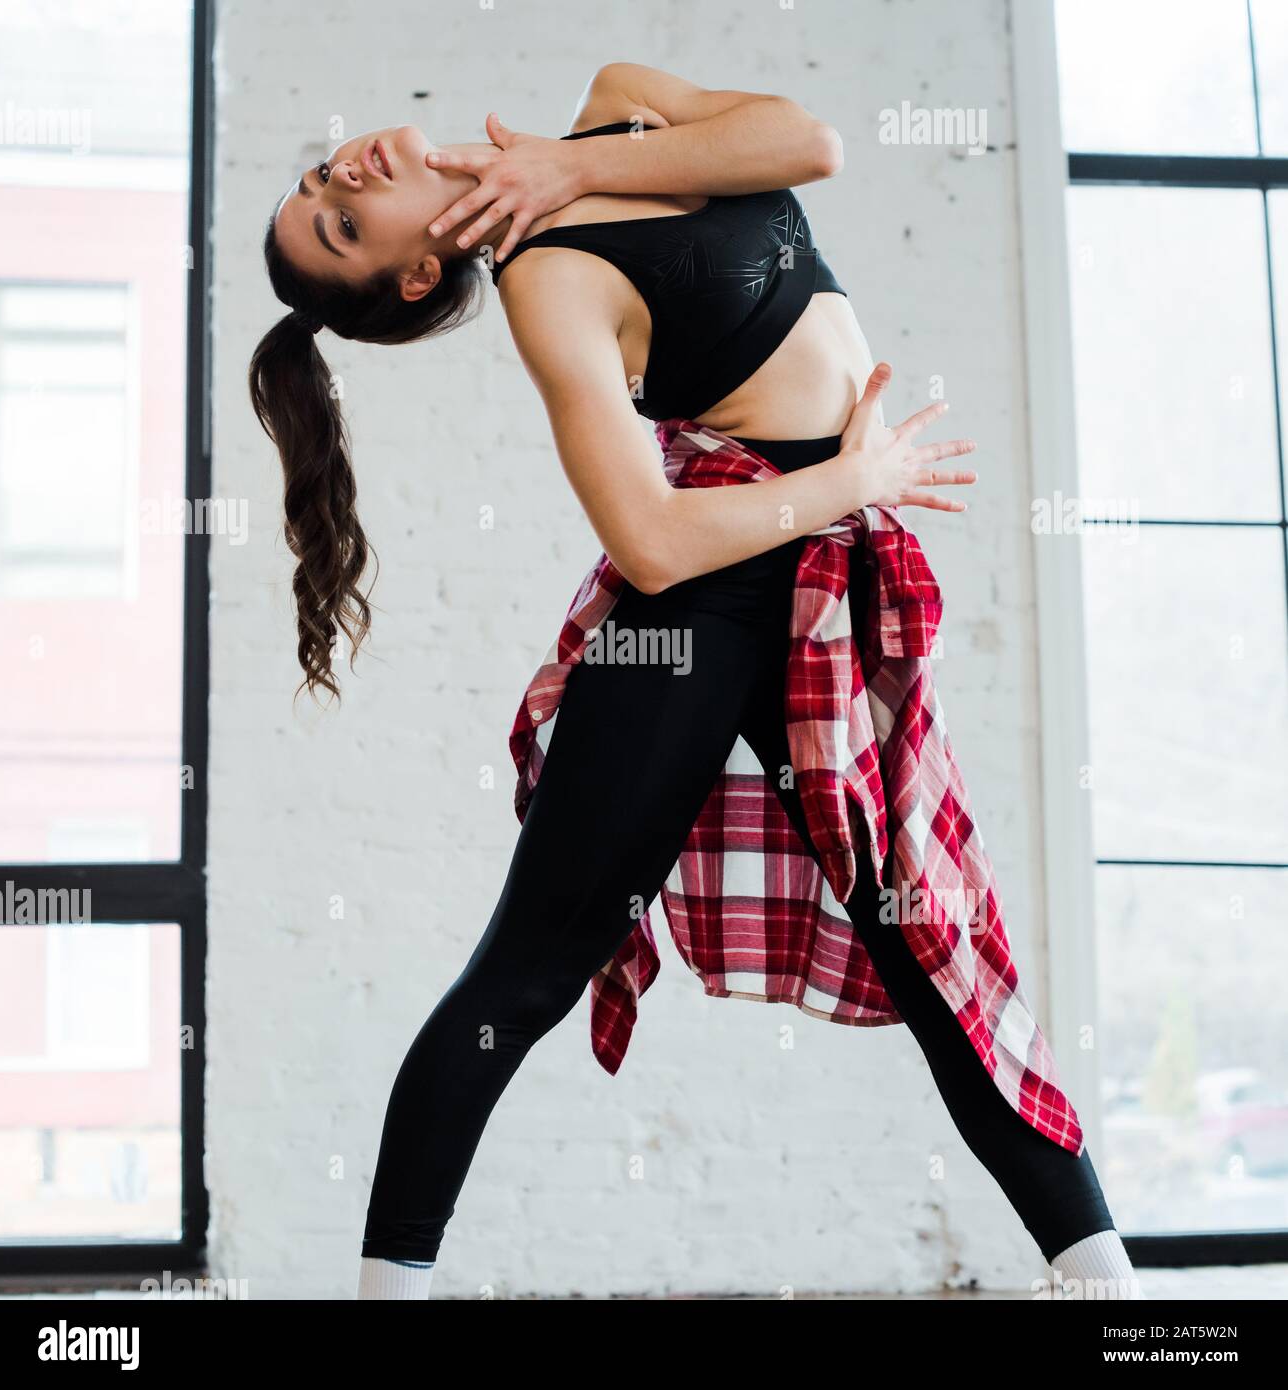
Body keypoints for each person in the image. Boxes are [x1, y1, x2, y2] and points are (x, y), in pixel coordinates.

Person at [248, 62, 1141, 1301]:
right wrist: (851, 483)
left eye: (316, 181)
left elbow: (807, 142)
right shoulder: (547, 285)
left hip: (813, 583)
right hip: (704, 609)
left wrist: (574, 162)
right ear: (410, 274)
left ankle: (1109, 1289)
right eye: (339, 223)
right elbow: (653, 539)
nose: (338, 178)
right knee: (531, 968)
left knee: (924, 932)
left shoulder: (615, 107)